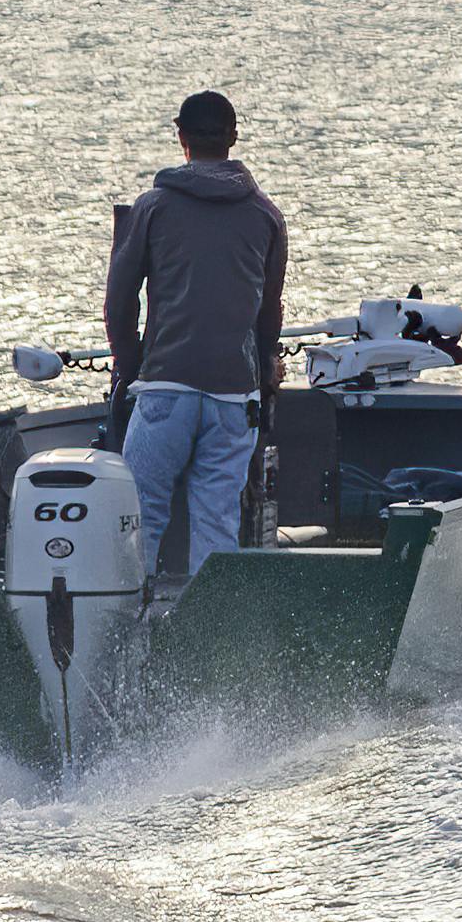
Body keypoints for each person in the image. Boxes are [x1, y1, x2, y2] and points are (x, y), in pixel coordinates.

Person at [101, 88, 290, 580]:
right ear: (233, 137)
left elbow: (119, 304)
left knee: (139, 523)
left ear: (180, 137)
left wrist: (129, 367)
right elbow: (268, 315)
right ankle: (206, 647)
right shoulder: (266, 216)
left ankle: (125, 641)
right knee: (217, 526)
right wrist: (265, 371)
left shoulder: (152, 207)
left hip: (165, 388)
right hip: (234, 397)